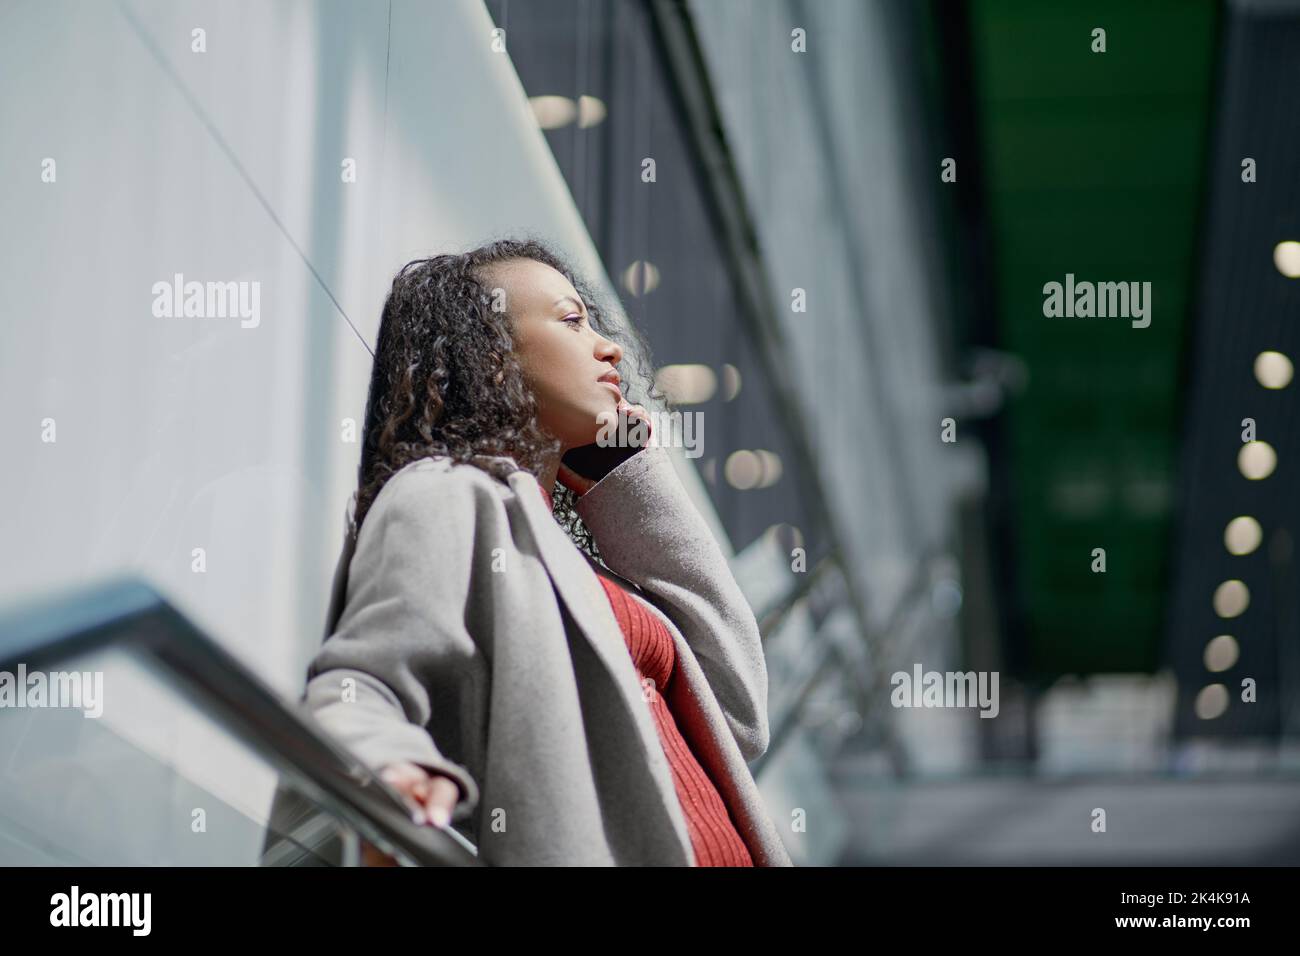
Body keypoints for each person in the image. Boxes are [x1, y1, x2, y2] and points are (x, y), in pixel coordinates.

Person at [285, 238, 792, 866]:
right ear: (491, 358)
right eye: (572, 321)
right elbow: (356, 684)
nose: (608, 347)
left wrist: (630, 479)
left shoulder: (590, 568)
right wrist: (394, 772)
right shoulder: (444, 494)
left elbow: (739, 719)